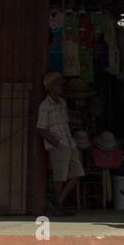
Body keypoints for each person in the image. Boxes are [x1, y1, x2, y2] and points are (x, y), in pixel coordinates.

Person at [36, 71, 83, 216]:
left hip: (69, 142)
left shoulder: (62, 102)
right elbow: (41, 128)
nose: (60, 87)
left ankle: (58, 202)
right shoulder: (45, 106)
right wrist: (55, 142)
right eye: (57, 85)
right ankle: (59, 204)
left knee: (77, 173)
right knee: (60, 176)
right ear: (50, 88)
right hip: (59, 144)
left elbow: (66, 121)